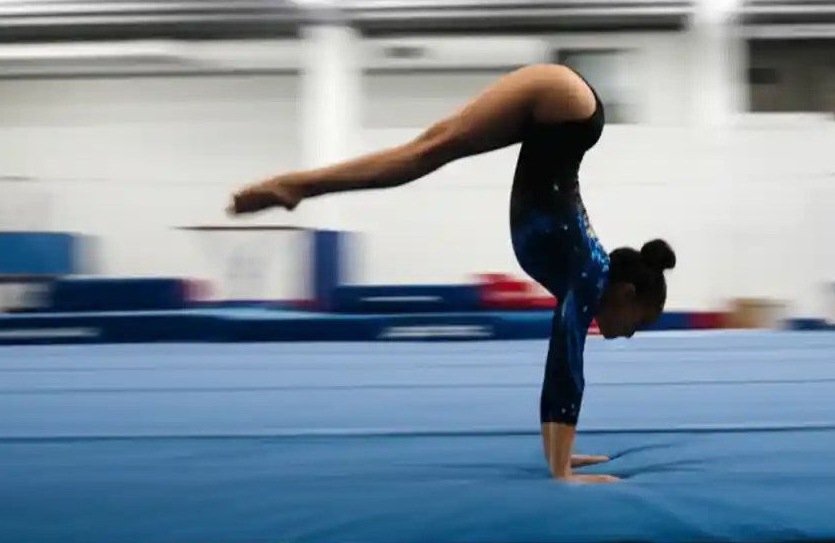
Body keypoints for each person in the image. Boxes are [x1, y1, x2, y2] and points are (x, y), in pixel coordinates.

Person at [228, 63, 676, 483]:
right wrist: (562, 472)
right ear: (626, 292)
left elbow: (563, 365)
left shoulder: (588, 273)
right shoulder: (586, 280)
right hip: (566, 106)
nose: (629, 335)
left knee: (430, 148)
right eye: (639, 323)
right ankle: (298, 186)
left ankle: (298, 186)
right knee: (427, 151)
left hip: (565, 110)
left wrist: (560, 455)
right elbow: (566, 368)